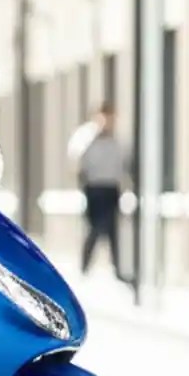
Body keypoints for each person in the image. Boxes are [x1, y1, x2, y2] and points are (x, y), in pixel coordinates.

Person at [69, 105, 131, 282]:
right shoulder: (86, 137)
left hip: (111, 188)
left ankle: (117, 268)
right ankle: (85, 266)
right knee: (94, 228)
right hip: (94, 188)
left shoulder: (118, 140)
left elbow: (124, 163)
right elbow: (77, 161)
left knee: (112, 230)